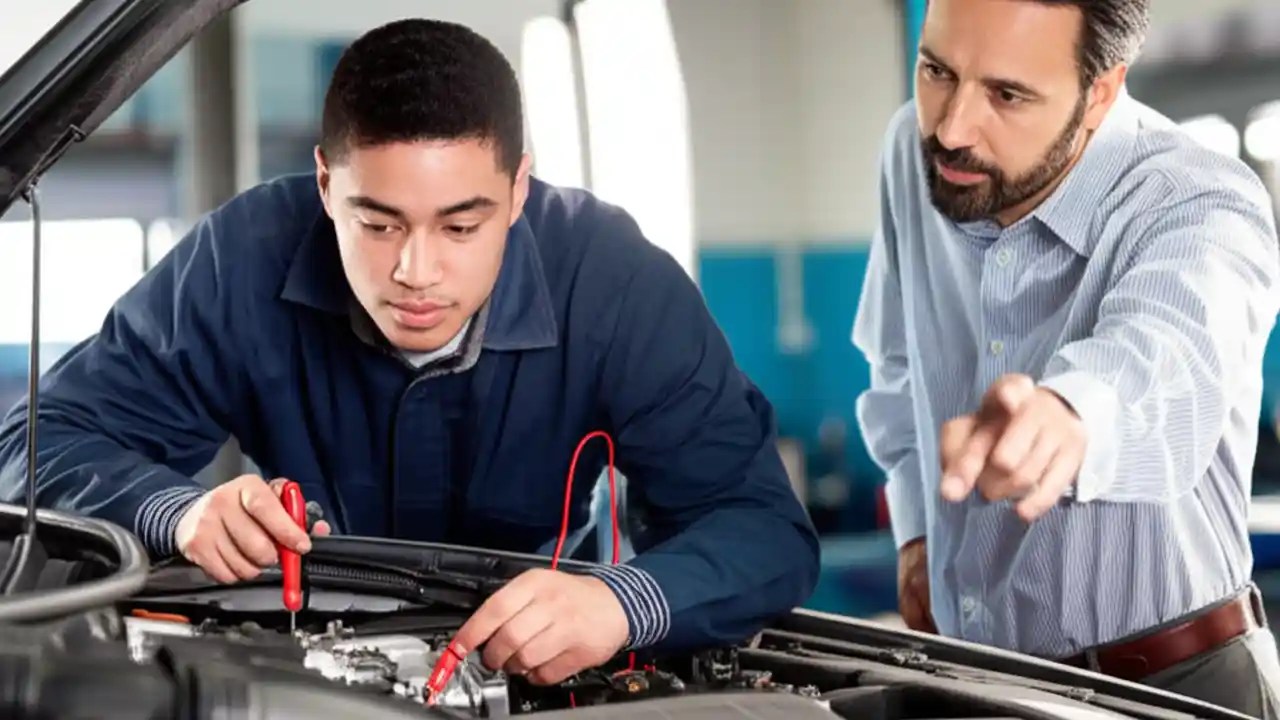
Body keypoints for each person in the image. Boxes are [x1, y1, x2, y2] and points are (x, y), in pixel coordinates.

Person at [0, 18, 819, 684]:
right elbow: (30, 448)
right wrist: (178, 510)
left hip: (547, 658)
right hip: (305, 655)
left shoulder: (614, 282)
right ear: (325, 184)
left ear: (518, 192)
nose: (414, 272)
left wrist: (622, 604)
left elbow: (763, 528)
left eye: (461, 226)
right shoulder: (239, 259)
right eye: (378, 221)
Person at [853, 0, 1280, 715]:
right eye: (936, 71)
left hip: (1172, 690)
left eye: (1008, 94)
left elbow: (1162, 361)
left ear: (1101, 92)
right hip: (976, 681)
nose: (953, 128)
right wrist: (917, 533)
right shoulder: (913, 151)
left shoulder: (1200, 200)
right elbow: (897, 363)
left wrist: (1069, 416)